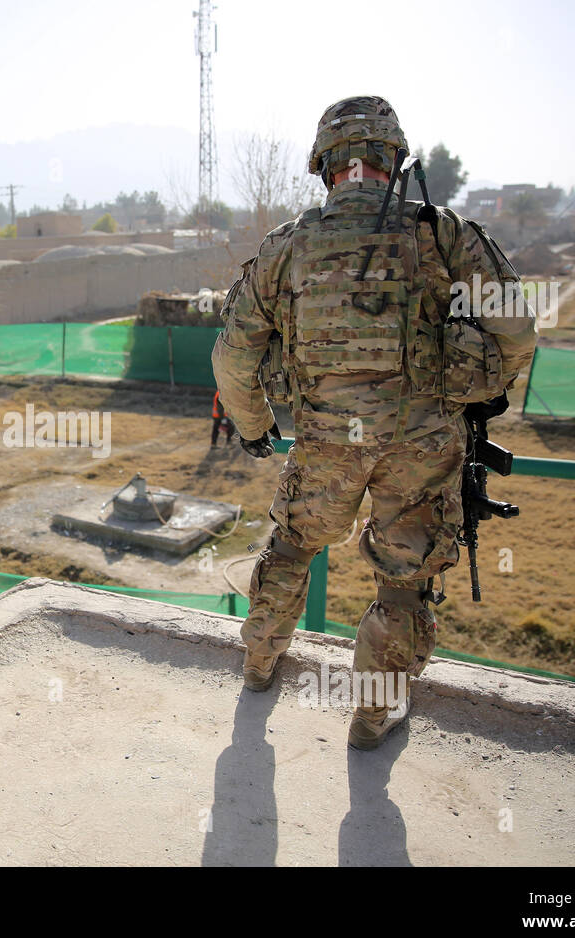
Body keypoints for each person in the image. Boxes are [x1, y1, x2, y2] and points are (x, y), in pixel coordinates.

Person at [211, 95, 537, 749]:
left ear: (326, 167)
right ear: (395, 160)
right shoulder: (442, 232)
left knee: (292, 548)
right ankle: (370, 719)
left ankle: (258, 664)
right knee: (403, 581)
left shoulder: (287, 246)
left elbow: (233, 355)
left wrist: (251, 428)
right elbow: (517, 327)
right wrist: (478, 386)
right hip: (421, 447)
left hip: (326, 442)